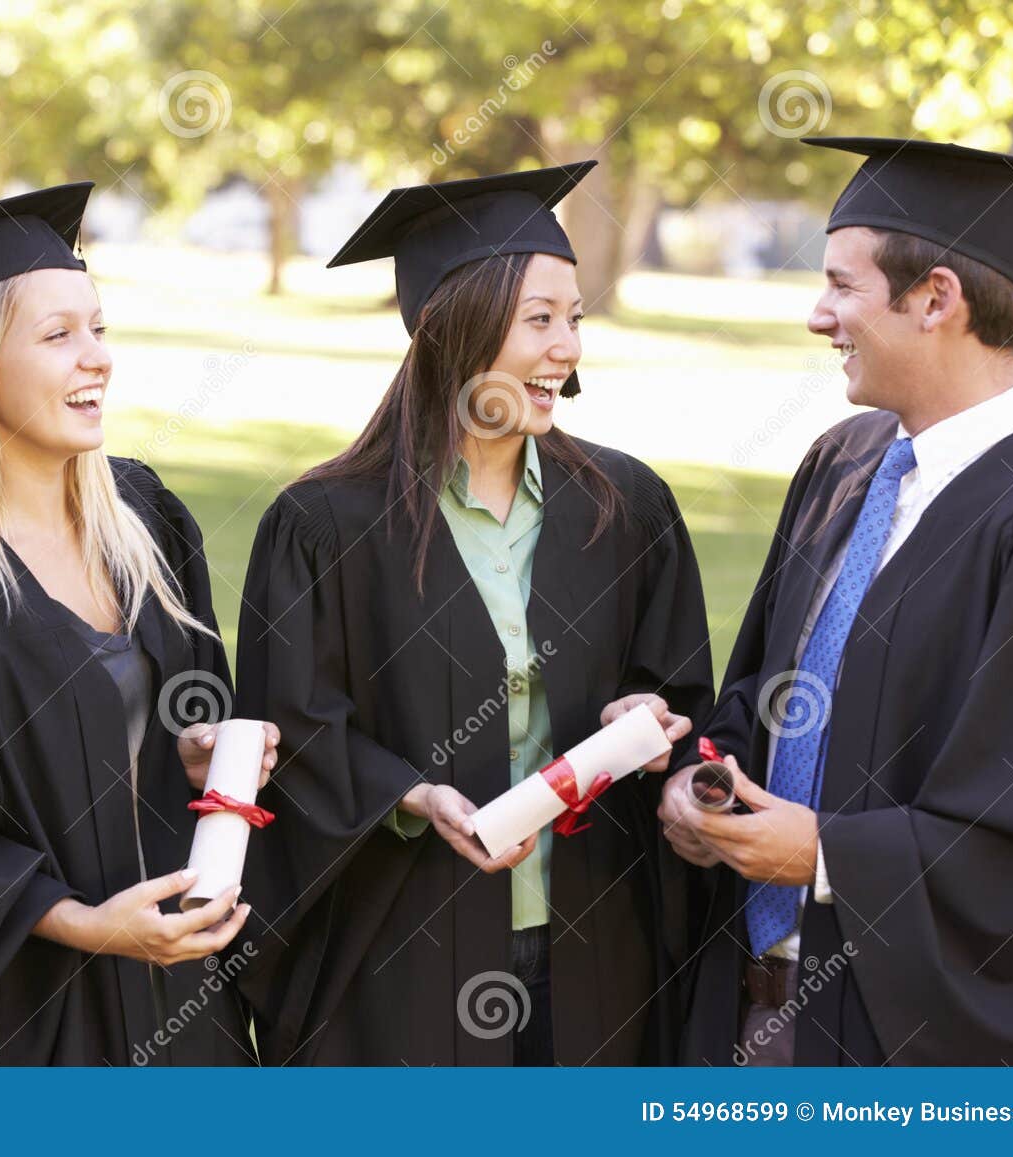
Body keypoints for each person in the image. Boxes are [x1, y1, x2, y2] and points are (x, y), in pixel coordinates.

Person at [670, 137, 1013, 1066]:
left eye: (842, 287)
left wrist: (825, 858)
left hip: (896, 1045)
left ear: (935, 298)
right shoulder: (842, 466)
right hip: (748, 1009)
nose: (818, 317)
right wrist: (708, 776)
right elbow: (763, 685)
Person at [234, 164, 714, 1065]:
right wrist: (411, 794)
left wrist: (646, 720)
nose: (568, 345)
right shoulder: (324, 526)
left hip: (595, 949)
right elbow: (291, 730)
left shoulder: (626, 507)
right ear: (453, 325)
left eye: (575, 316)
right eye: (540, 318)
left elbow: (679, 688)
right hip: (403, 957)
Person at [0, 184, 277, 1065]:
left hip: (186, 996)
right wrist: (87, 924)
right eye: (58, 336)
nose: (98, 359)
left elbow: (191, 705)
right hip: (41, 1023)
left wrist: (201, 746)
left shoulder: (144, 519)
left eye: (99, 328)